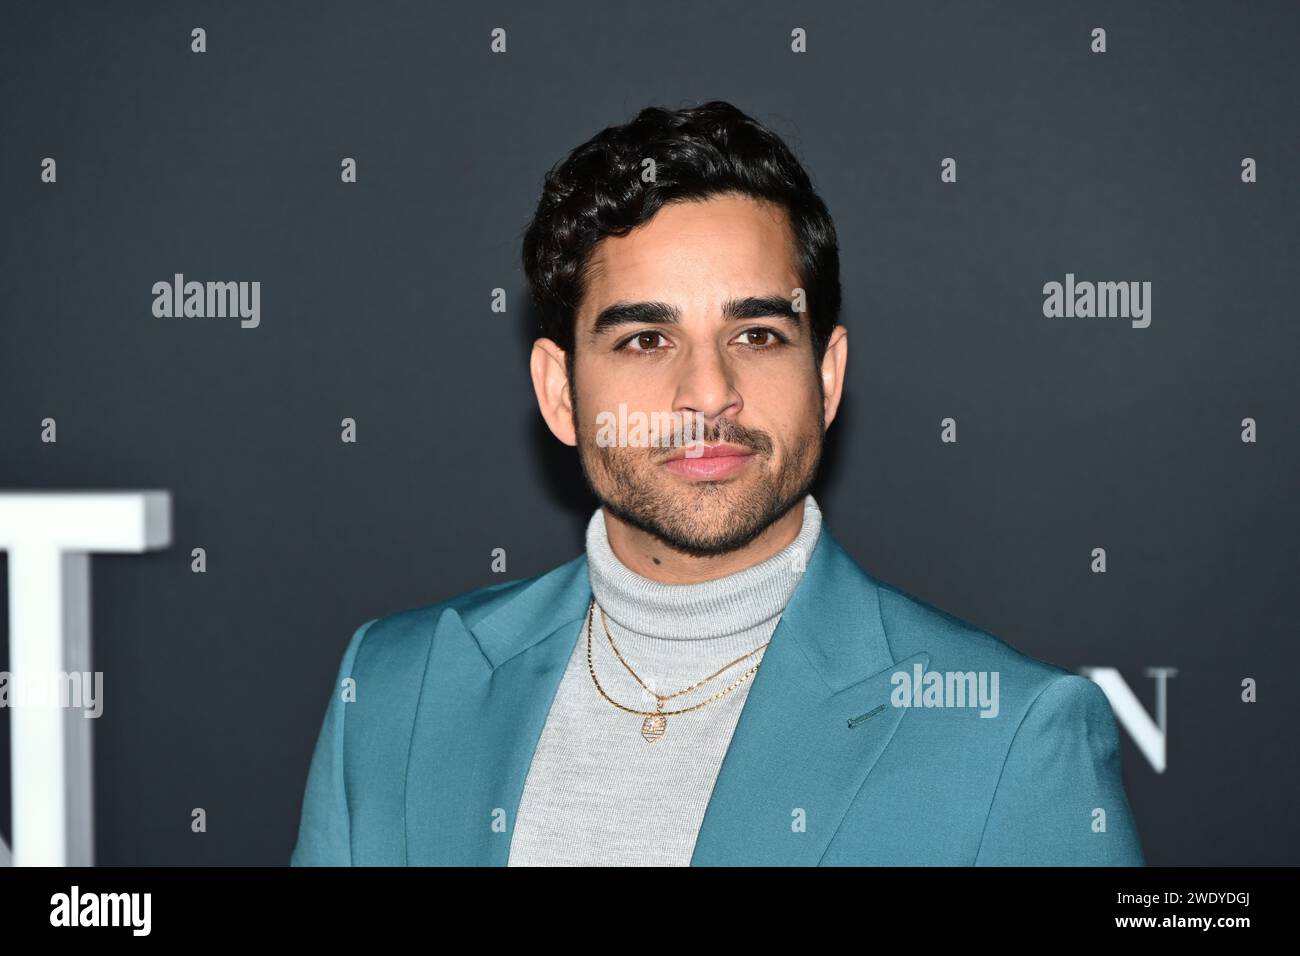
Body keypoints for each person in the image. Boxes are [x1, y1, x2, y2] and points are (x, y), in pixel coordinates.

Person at [290, 100, 1145, 866]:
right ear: (559, 393)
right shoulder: (394, 689)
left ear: (828, 376)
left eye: (760, 334)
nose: (709, 393)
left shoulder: (1007, 737)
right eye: (644, 341)